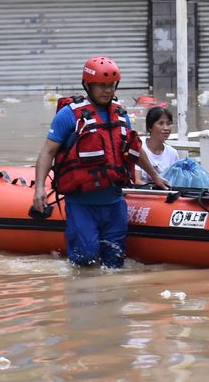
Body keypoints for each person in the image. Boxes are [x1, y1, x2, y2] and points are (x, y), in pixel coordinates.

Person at [31, 57, 169, 268]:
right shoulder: (69, 115)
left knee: (115, 262)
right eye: (101, 85)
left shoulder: (121, 114)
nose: (107, 90)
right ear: (88, 85)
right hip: (81, 204)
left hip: (114, 203)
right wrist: (39, 188)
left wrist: (155, 176)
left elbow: (135, 149)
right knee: (85, 259)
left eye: (111, 85)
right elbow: (48, 151)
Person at [141, 105, 180, 184]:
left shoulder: (173, 153)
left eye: (169, 124)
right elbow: (136, 180)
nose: (166, 128)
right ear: (150, 127)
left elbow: (174, 182)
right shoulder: (140, 146)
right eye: (161, 123)